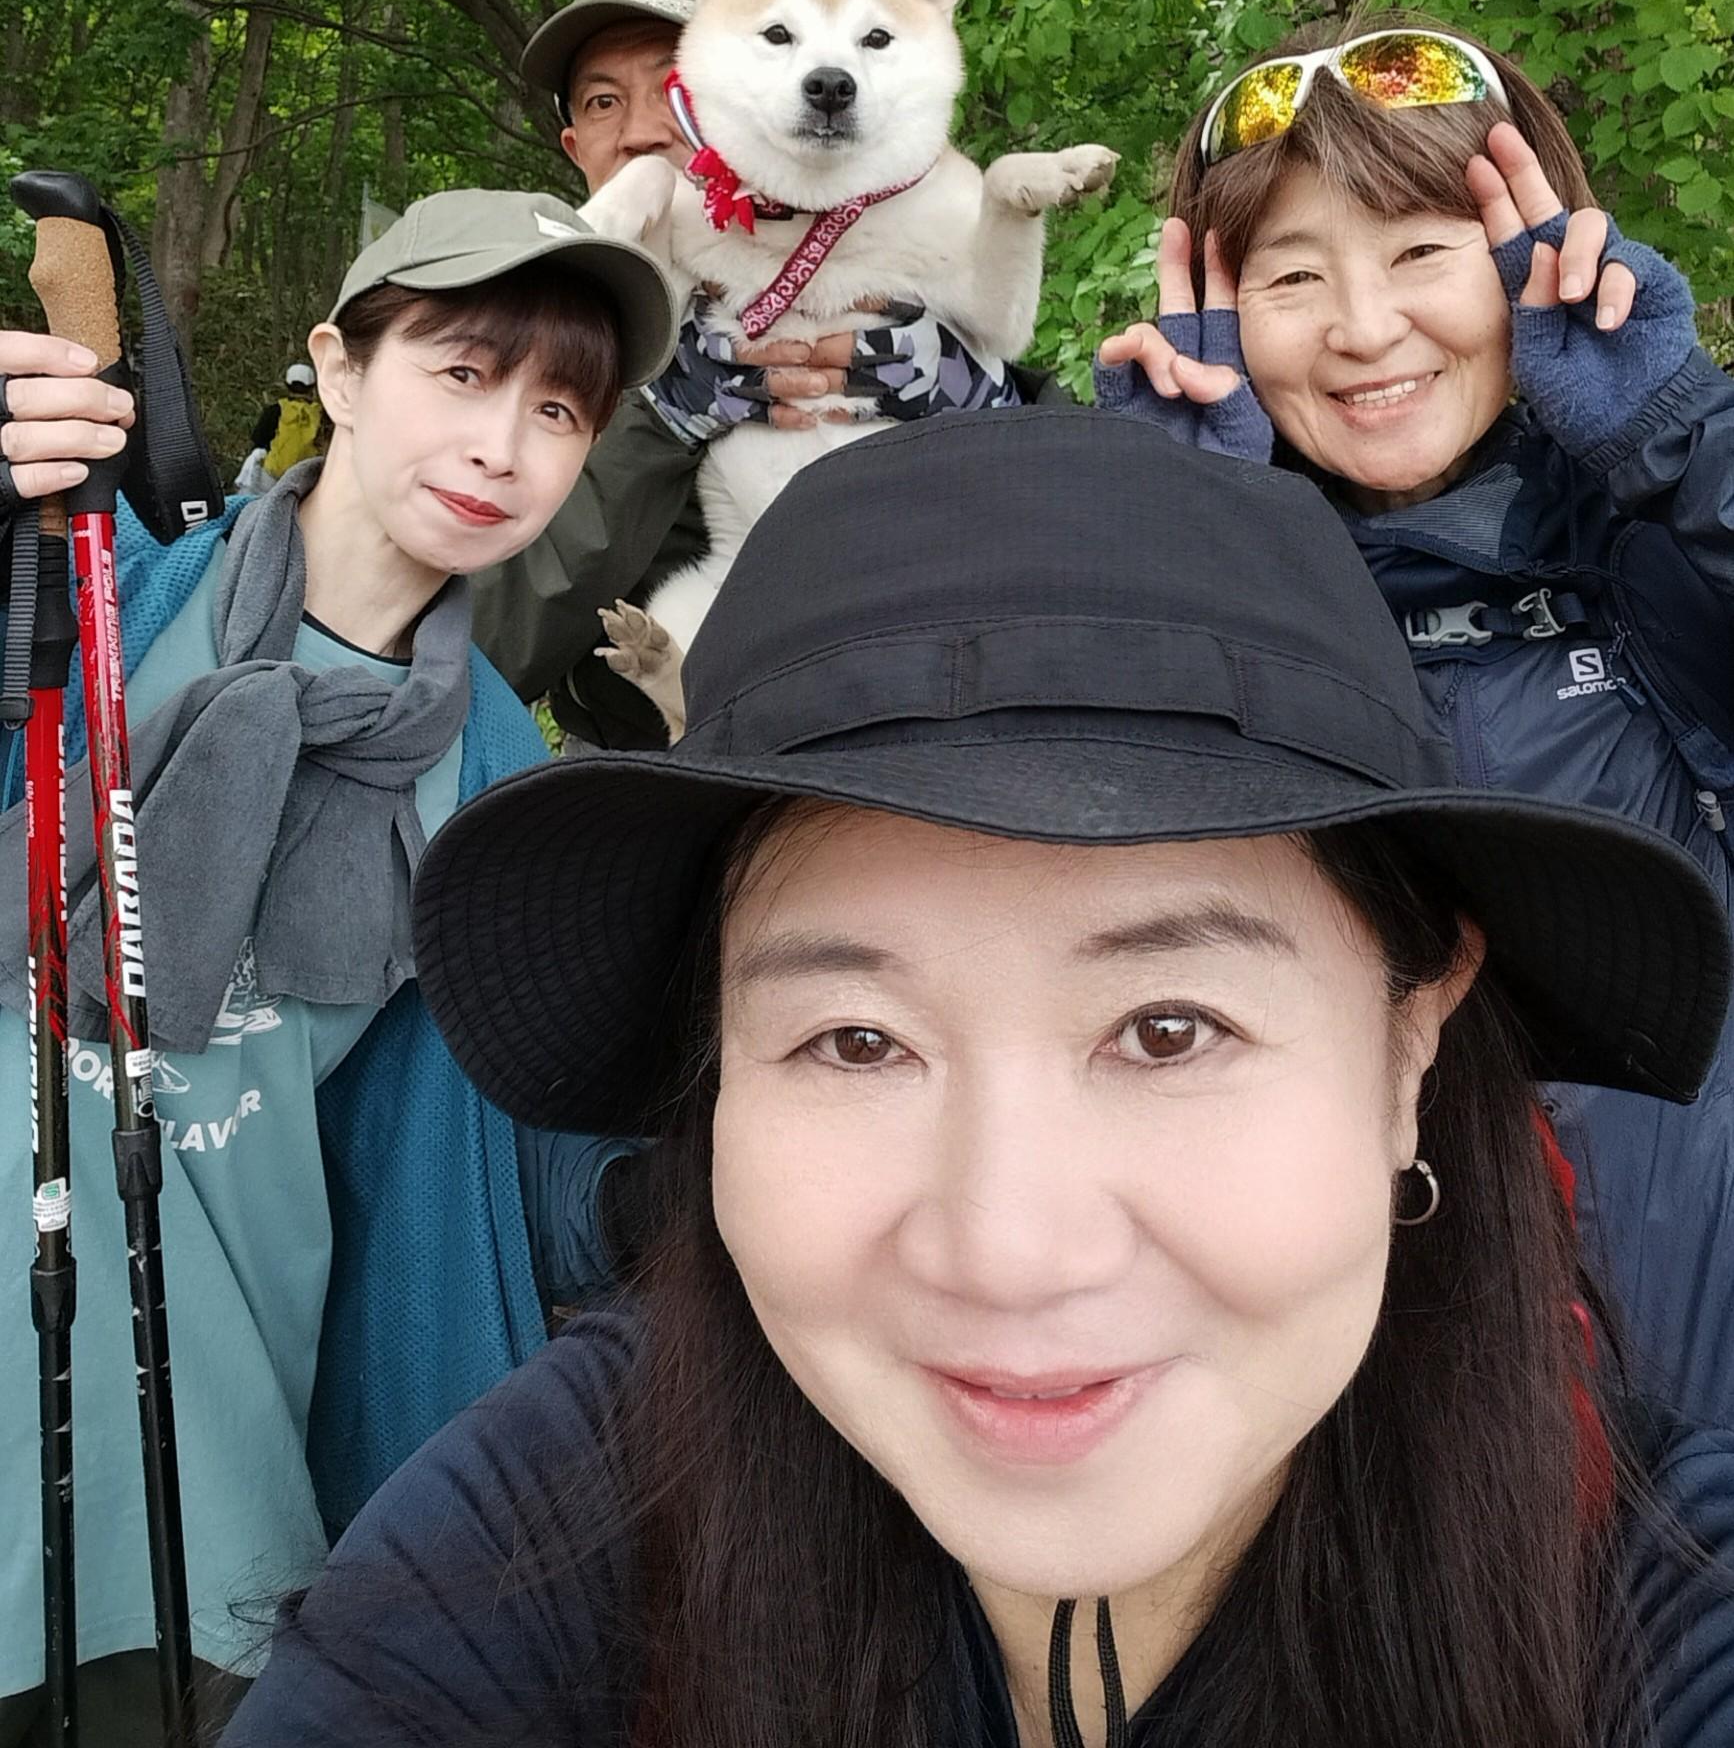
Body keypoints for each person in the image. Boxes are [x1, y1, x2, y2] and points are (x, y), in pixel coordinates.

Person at [222, 411, 1734, 1748]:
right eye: (854, 1041)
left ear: (1409, 1041)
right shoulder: (558, 1523)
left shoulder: (1663, 1599)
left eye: (1166, 1029)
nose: (1007, 1253)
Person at [0, 188, 679, 1743]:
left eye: (558, 407)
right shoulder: (86, 582)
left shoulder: (502, 790)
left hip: (216, 1499)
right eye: (460, 371)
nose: (504, 442)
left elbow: (535, 1156)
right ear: (340, 366)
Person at [1094, 20, 1734, 1432]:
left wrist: (1675, 435)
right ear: (1218, 309)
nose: (1364, 328)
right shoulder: (1232, 606)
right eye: (1292, 276)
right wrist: (1170, 550)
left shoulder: (1658, 555)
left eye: (1419, 253)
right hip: (1387, 1448)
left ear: (1530, 253)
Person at [482, 0, 1045, 750]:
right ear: (575, 145)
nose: (644, 128)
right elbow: (474, 644)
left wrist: (994, 405)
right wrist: (660, 420)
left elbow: (1053, 530)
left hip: (918, 720)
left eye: (671, 82)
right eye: (606, 100)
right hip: (652, 761)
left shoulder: (904, 224)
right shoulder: (515, 325)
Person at [234, 360, 324, 493]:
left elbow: (258, 440)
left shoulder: (276, 410)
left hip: (272, 474)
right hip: (305, 477)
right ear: (313, 387)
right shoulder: (320, 415)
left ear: (286, 385)